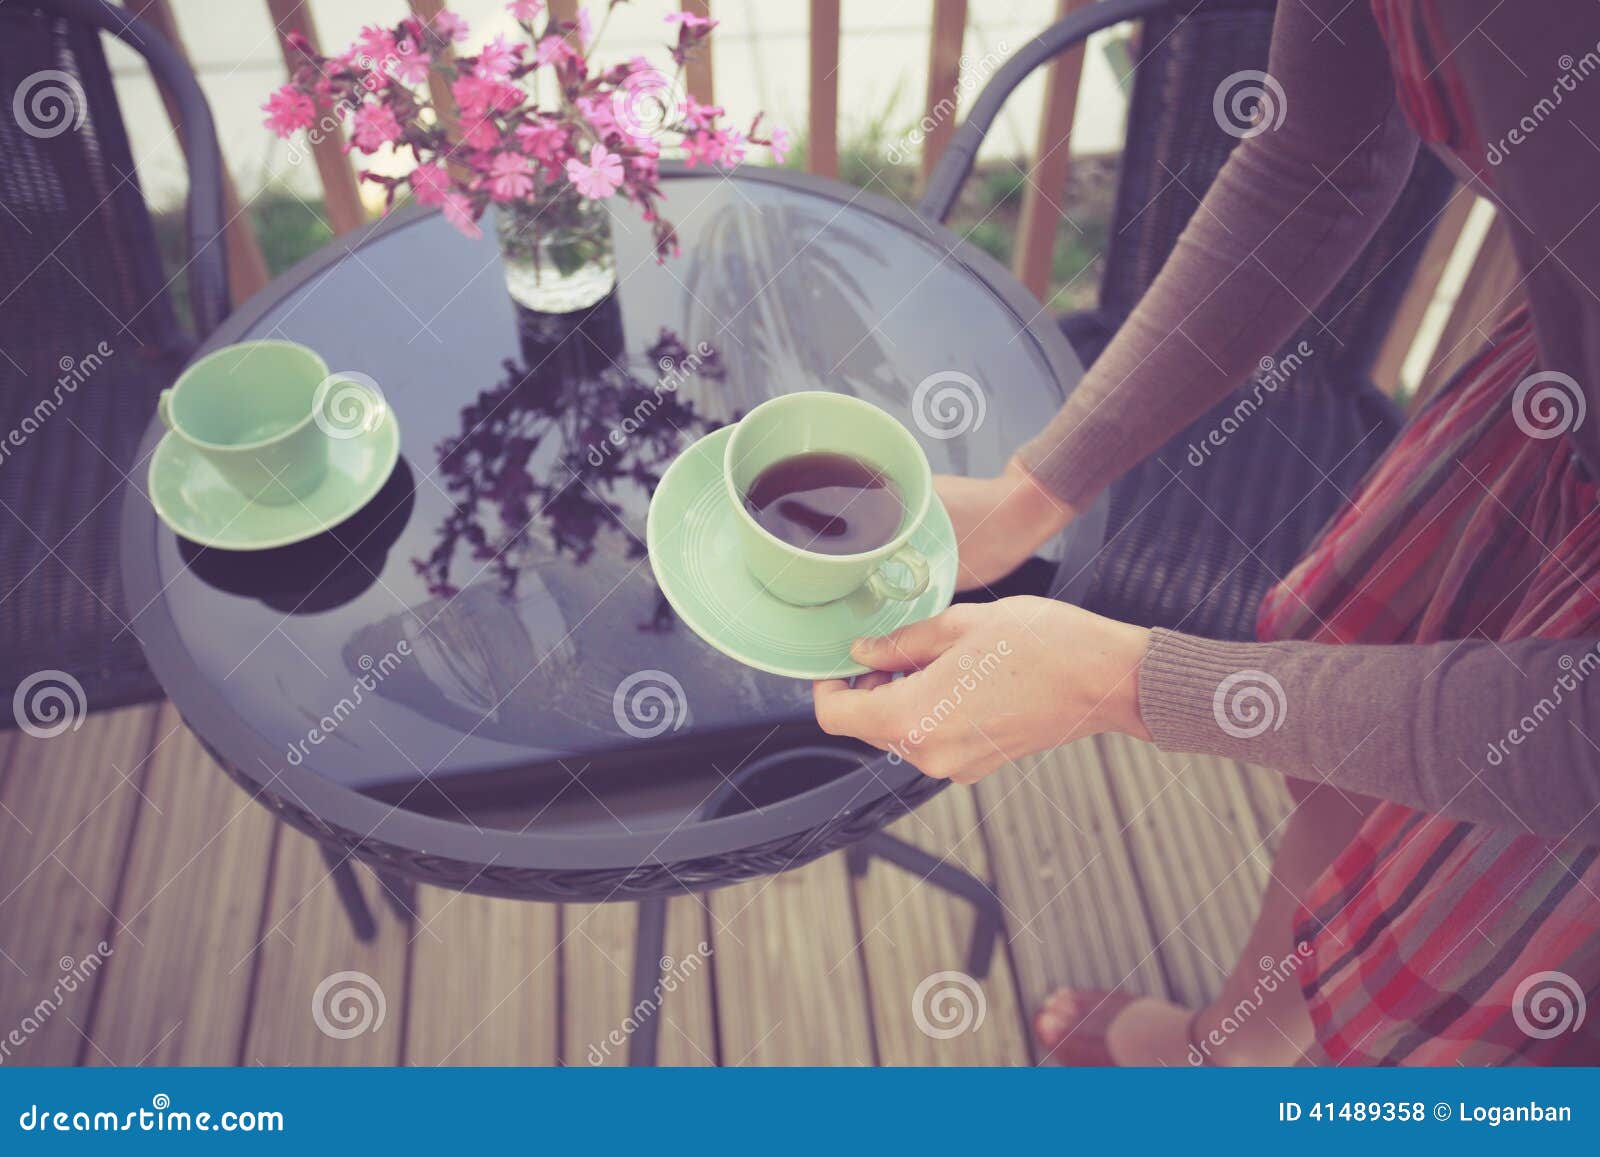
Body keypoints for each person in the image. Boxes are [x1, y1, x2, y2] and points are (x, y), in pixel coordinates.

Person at [814, 0, 1600, 1065]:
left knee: (1462, 1024)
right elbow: (1309, 165)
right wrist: (1034, 492)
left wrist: (1120, 682)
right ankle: (1228, 1049)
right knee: (1348, 770)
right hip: (1544, 425)